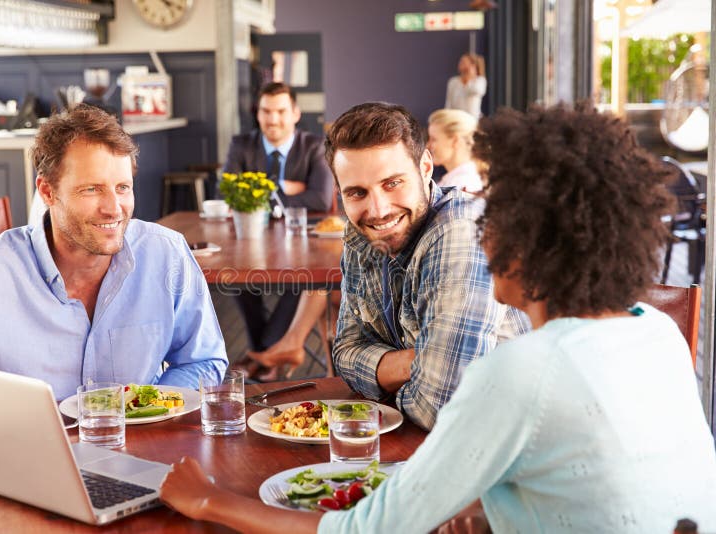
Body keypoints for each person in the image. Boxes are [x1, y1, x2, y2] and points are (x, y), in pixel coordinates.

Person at [158, 102, 716, 533]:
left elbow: (366, 528)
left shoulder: (525, 370)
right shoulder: (654, 330)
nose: (482, 232)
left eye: (497, 217)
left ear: (537, 244)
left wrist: (209, 499)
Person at [0, 105, 227, 431]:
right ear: (48, 191)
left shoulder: (167, 253)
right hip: (30, 464)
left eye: (122, 188)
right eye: (91, 189)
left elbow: (203, 358)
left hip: (146, 454)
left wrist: (149, 409)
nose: (113, 209)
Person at [330, 102, 527, 430]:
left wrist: (390, 374)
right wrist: (419, 362)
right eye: (357, 193)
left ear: (424, 167)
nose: (378, 209)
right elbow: (346, 352)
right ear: (340, 193)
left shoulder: (461, 231)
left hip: (508, 448)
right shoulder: (360, 230)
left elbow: (439, 407)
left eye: (392, 183)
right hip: (424, 449)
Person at [224, 82, 333, 380]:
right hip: (250, 242)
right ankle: (268, 357)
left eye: (281, 111)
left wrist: (260, 192)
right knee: (235, 277)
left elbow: (321, 199)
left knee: (303, 278)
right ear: (257, 114)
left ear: (296, 113)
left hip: (304, 242)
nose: (273, 120)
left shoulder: (314, 146)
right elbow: (231, 195)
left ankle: (262, 355)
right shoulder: (241, 144)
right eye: (266, 111)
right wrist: (283, 187)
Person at [427, 108, 483, 192]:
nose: (428, 145)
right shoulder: (455, 181)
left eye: (434, 139)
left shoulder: (465, 185)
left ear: (455, 141)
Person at [445, 53, 487, 118]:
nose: (460, 63)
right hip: (456, 118)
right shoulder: (453, 81)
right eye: (460, 61)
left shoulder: (480, 81)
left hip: (473, 118)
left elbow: (477, 91)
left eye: (464, 62)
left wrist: (469, 77)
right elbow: (449, 102)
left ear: (473, 65)